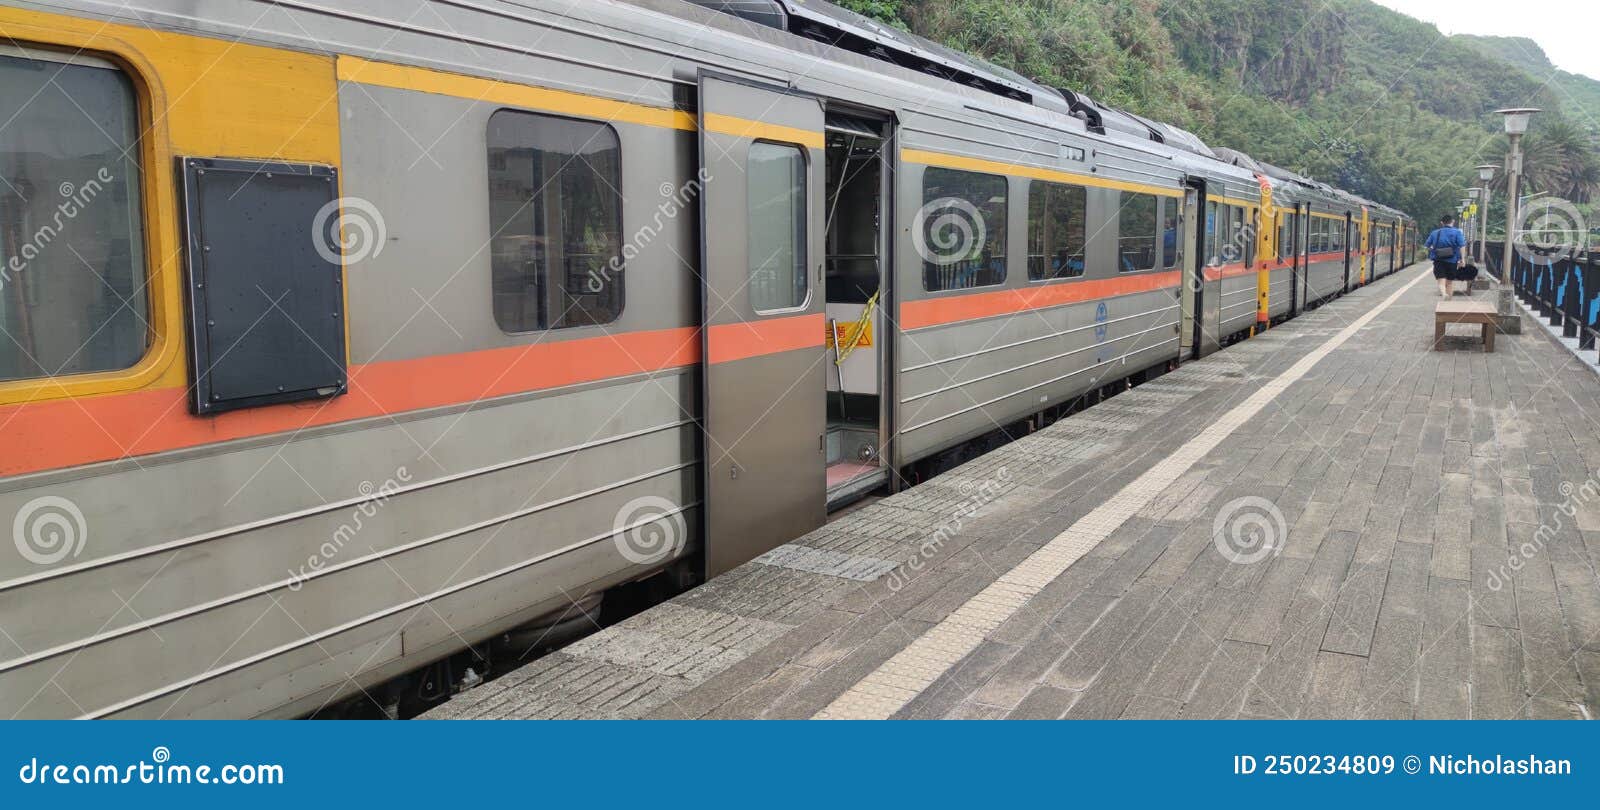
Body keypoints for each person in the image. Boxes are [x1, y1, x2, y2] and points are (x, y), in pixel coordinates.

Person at [1424, 214, 1467, 298]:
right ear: (1453, 221)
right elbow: (1462, 246)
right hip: (1452, 261)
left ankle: (1443, 294)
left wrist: (1433, 250)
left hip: (1438, 260)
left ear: (1442, 223)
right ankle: (1448, 302)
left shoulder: (1435, 233)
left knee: (1441, 280)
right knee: (1450, 282)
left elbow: (1427, 246)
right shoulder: (1457, 232)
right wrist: (1462, 259)